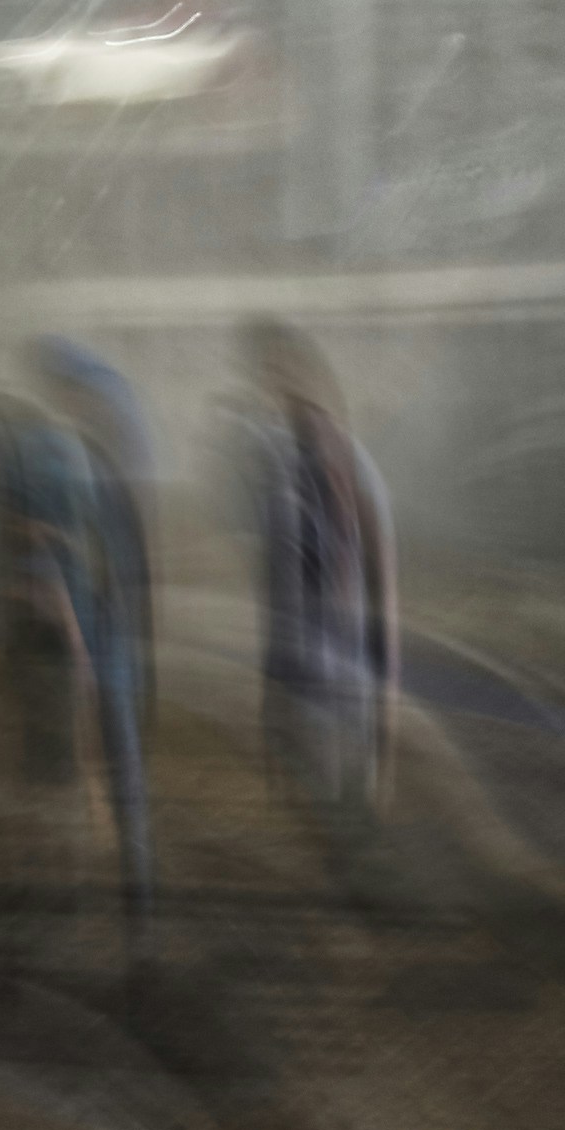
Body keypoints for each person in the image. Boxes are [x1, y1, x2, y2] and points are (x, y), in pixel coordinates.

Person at [0, 337, 158, 964]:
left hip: (103, 646)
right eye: (83, 394)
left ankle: (130, 902)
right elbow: (29, 561)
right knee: (60, 775)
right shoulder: (48, 459)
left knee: (114, 773)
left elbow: (124, 567)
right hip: (64, 650)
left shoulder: (99, 467)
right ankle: (55, 904)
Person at [238, 318, 397, 853]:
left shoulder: (355, 470)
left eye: (287, 371)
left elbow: (382, 592)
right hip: (298, 684)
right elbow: (276, 594)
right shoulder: (277, 472)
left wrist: (383, 725)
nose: (277, 386)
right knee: (312, 836)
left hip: (345, 691)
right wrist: (271, 698)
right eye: (268, 373)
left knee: (347, 837)